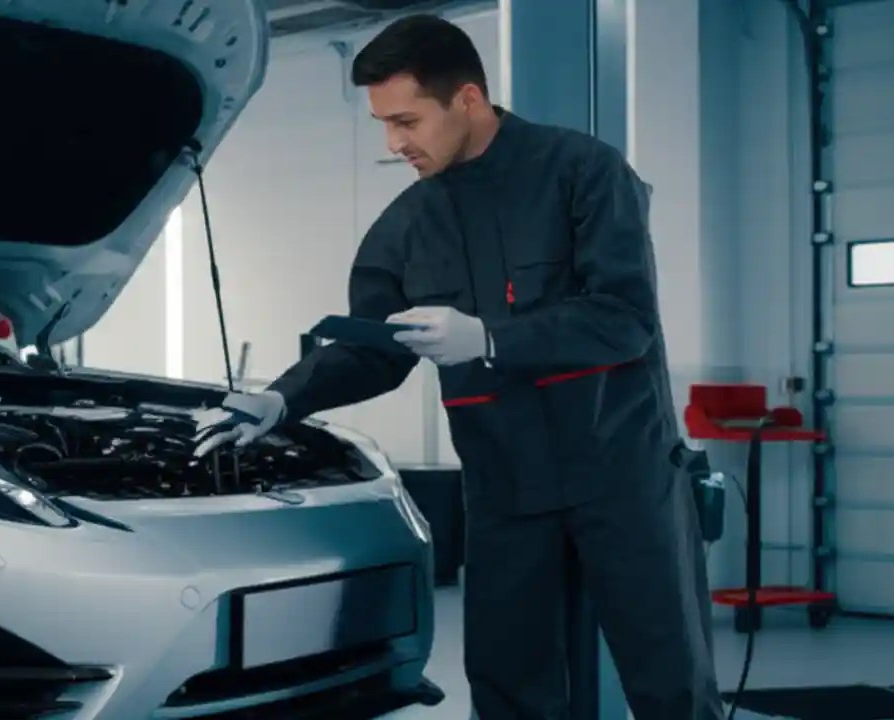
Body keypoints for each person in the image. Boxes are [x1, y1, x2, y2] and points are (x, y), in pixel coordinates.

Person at [194, 13, 723, 720]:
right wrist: (283, 399)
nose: (394, 144)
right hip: (504, 489)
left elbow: (625, 319)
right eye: (383, 124)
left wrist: (490, 338)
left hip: (622, 475)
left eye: (407, 121)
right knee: (508, 688)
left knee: (671, 683)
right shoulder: (404, 226)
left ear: (467, 99)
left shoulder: (584, 172)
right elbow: (374, 350)